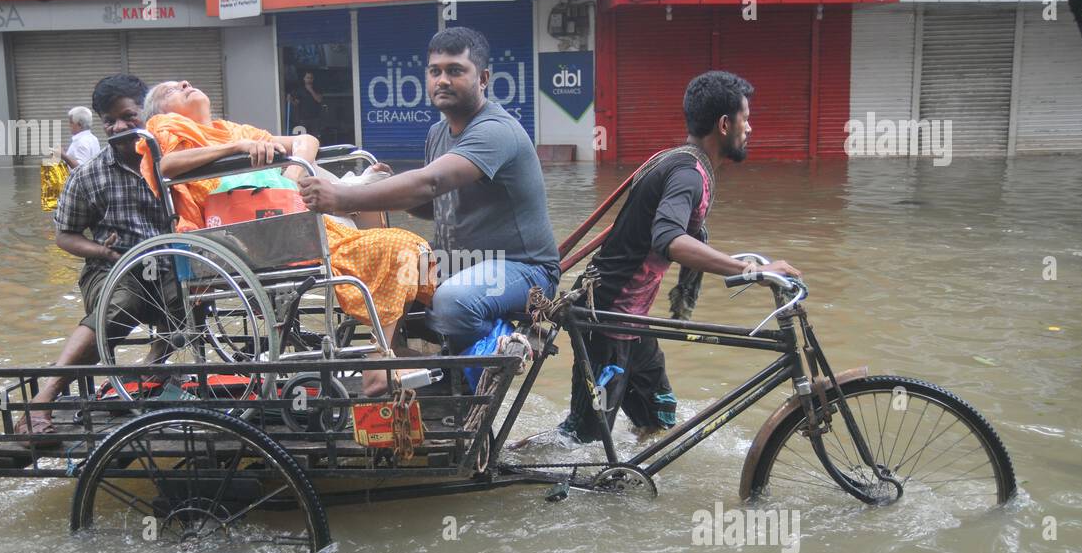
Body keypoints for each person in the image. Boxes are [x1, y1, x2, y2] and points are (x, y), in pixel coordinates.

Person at [137, 79, 437, 396]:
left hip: (286, 219)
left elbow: (305, 139)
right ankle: (379, 364)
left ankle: (388, 351)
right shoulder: (166, 126)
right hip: (244, 236)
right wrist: (236, 149)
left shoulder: (230, 128)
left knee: (410, 249)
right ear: (162, 109)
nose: (185, 84)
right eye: (171, 90)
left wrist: (293, 174)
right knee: (401, 247)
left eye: (184, 83)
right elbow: (164, 166)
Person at [557, 70, 802, 443]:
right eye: (746, 119)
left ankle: (626, 478)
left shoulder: (683, 163)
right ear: (724, 124)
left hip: (632, 324)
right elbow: (669, 238)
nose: (749, 128)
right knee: (581, 442)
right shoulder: (688, 173)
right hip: (605, 319)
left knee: (659, 417)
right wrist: (750, 270)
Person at [299, 27, 559, 353]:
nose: (442, 80)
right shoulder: (437, 133)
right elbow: (431, 203)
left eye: (455, 71)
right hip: (460, 261)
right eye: (435, 71)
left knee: (451, 304)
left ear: (483, 78)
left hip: (523, 268)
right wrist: (380, 189)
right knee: (387, 268)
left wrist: (341, 197)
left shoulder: (496, 131)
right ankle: (394, 365)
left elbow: (428, 183)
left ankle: (490, 348)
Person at [16, 74, 170, 436]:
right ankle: (45, 398)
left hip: (168, 264)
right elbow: (64, 236)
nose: (119, 127)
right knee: (121, 305)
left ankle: (156, 362)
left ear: (148, 114)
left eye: (129, 116)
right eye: (109, 120)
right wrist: (102, 250)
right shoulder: (87, 176)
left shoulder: (174, 162)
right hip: (111, 268)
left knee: (197, 288)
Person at [55, 105, 100, 170]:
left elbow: (81, 169)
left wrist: (63, 155)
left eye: (71, 122)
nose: (69, 125)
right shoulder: (92, 138)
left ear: (79, 124)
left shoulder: (82, 142)